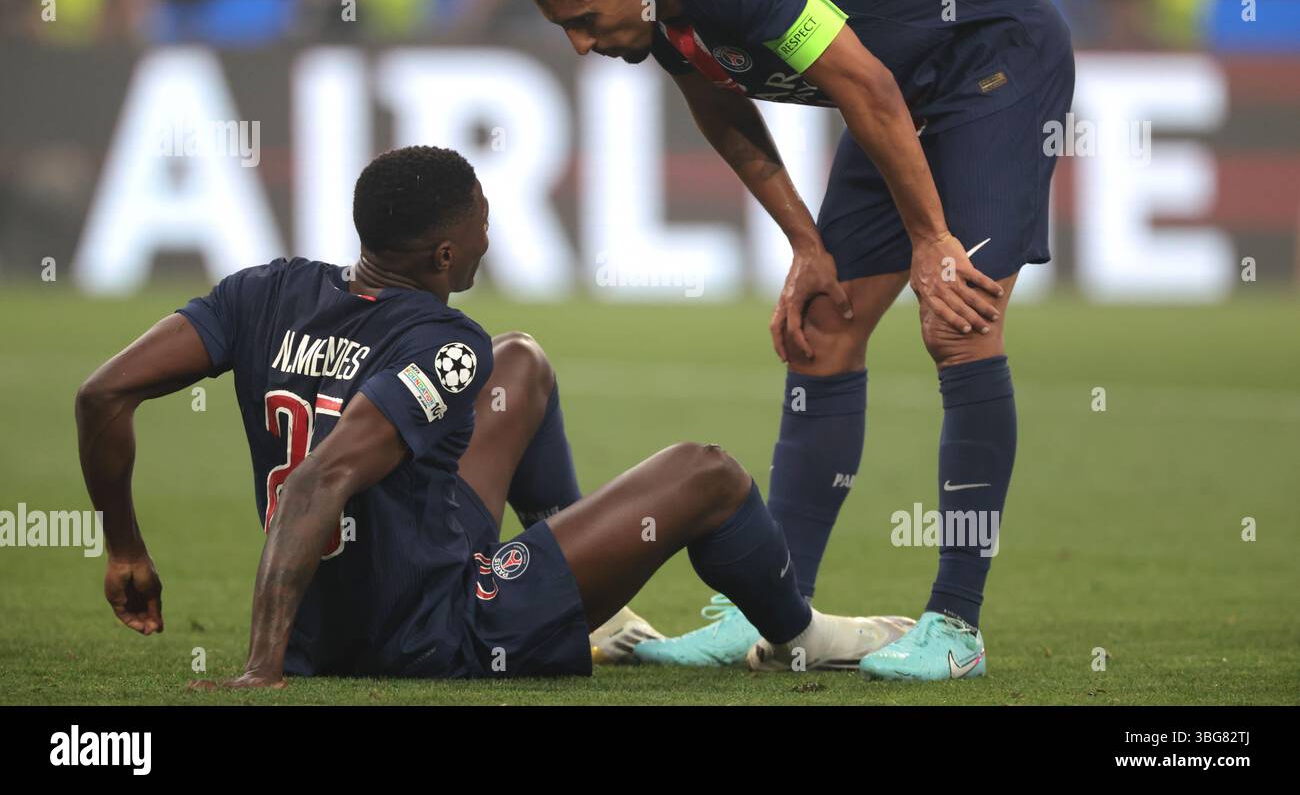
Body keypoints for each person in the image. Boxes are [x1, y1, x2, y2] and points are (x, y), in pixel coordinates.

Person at [502, 0, 1076, 680]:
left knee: (957, 318)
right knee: (824, 330)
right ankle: (774, 616)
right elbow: (722, 106)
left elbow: (864, 87)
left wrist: (933, 239)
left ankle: (956, 624)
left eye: (585, 22)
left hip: (993, 62)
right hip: (902, 91)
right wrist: (806, 244)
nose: (581, 45)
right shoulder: (656, 4)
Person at [75, 145, 909, 684]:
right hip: (429, 631)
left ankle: (592, 606)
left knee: (523, 362)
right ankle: (800, 635)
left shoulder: (264, 291)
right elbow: (321, 478)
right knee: (710, 473)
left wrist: (123, 546)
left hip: (331, 606)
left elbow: (100, 394)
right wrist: (262, 669)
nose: (488, 231)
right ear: (445, 253)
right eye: (481, 218)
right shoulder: (443, 340)